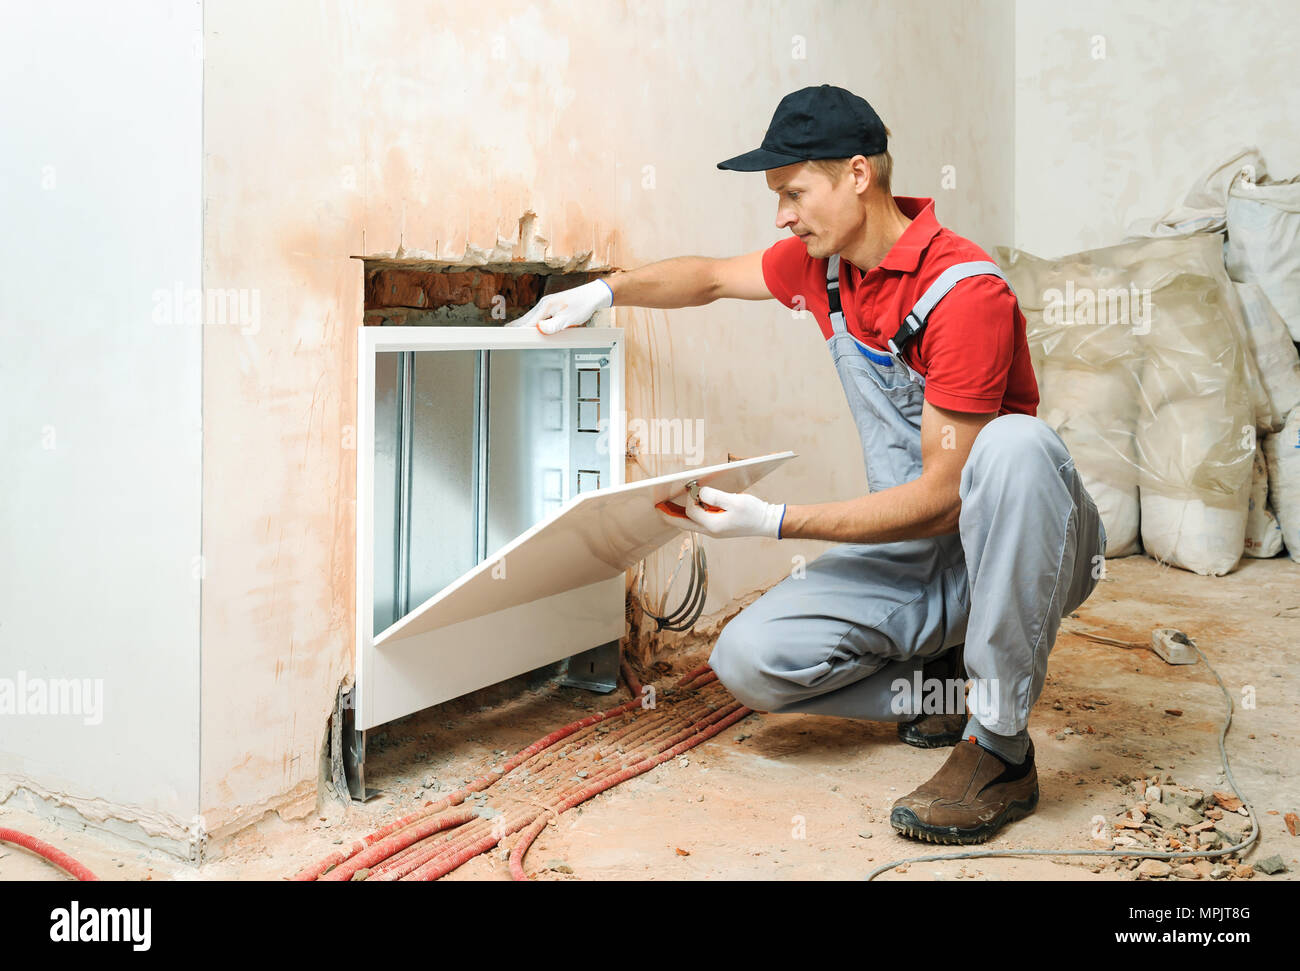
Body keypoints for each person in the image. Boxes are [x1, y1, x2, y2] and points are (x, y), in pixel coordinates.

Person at [511, 84, 1106, 845]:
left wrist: (774, 522)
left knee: (1015, 447)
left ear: (858, 175)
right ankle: (943, 683)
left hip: (1019, 546)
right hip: (919, 555)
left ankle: (998, 748)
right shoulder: (826, 270)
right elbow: (712, 277)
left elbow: (944, 499)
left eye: (793, 192)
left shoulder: (964, 293)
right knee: (750, 661)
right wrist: (603, 291)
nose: (782, 214)